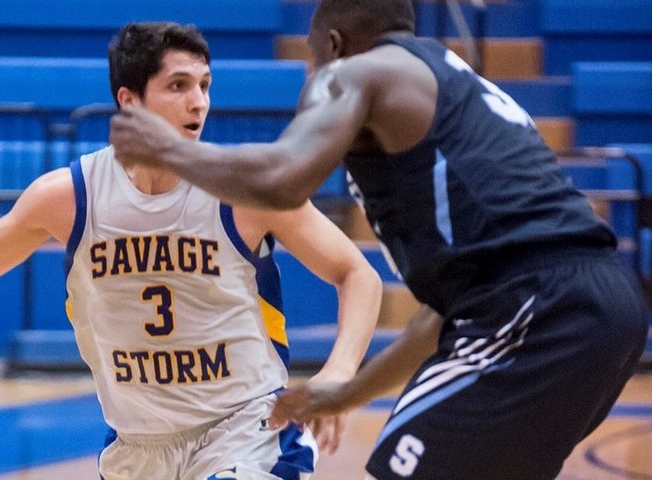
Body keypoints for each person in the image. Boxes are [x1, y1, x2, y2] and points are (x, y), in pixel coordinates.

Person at [0, 21, 381, 478]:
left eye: (205, 85)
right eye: (178, 85)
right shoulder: (70, 196)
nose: (199, 102)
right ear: (129, 101)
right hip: (138, 446)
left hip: (245, 430)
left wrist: (339, 373)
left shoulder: (245, 188)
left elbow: (358, 273)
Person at [109, 1, 650, 479]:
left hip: (540, 307)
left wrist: (169, 149)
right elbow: (447, 315)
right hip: (603, 309)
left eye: (311, 56)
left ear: (333, 44)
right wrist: (349, 392)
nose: (312, 74)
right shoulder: (454, 86)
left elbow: (283, 179)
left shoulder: (355, 74)